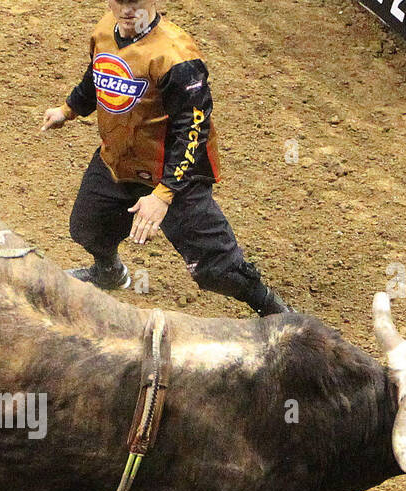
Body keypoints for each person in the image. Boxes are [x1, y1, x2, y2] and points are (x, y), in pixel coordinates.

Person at [41, 0, 292, 316]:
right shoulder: (105, 31)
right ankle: (108, 271)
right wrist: (68, 110)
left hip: (173, 171)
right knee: (87, 228)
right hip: (118, 162)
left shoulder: (176, 56)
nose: (128, 10)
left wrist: (163, 194)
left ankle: (280, 316)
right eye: (121, 1)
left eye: (136, 2)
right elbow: (96, 77)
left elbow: (193, 129)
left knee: (216, 269)